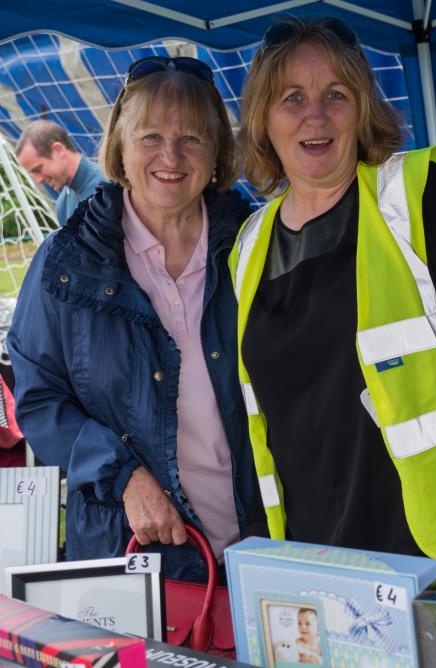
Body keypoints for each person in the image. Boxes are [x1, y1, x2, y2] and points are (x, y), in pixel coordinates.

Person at [231, 16, 436, 568]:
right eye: (292, 97)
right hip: (321, 552)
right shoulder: (248, 246)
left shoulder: (419, 194)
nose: (315, 115)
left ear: (363, 108)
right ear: (263, 120)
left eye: (336, 94)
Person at [8, 56, 263, 581]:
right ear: (120, 145)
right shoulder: (64, 261)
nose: (170, 155)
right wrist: (124, 477)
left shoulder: (257, 243)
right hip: (133, 549)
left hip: (264, 542)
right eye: (150, 136)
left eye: (192, 137)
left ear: (216, 152)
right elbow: (40, 400)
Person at [15, 120, 105, 225]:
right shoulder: (62, 205)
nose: (38, 180)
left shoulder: (106, 186)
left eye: (38, 169)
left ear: (58, 150)